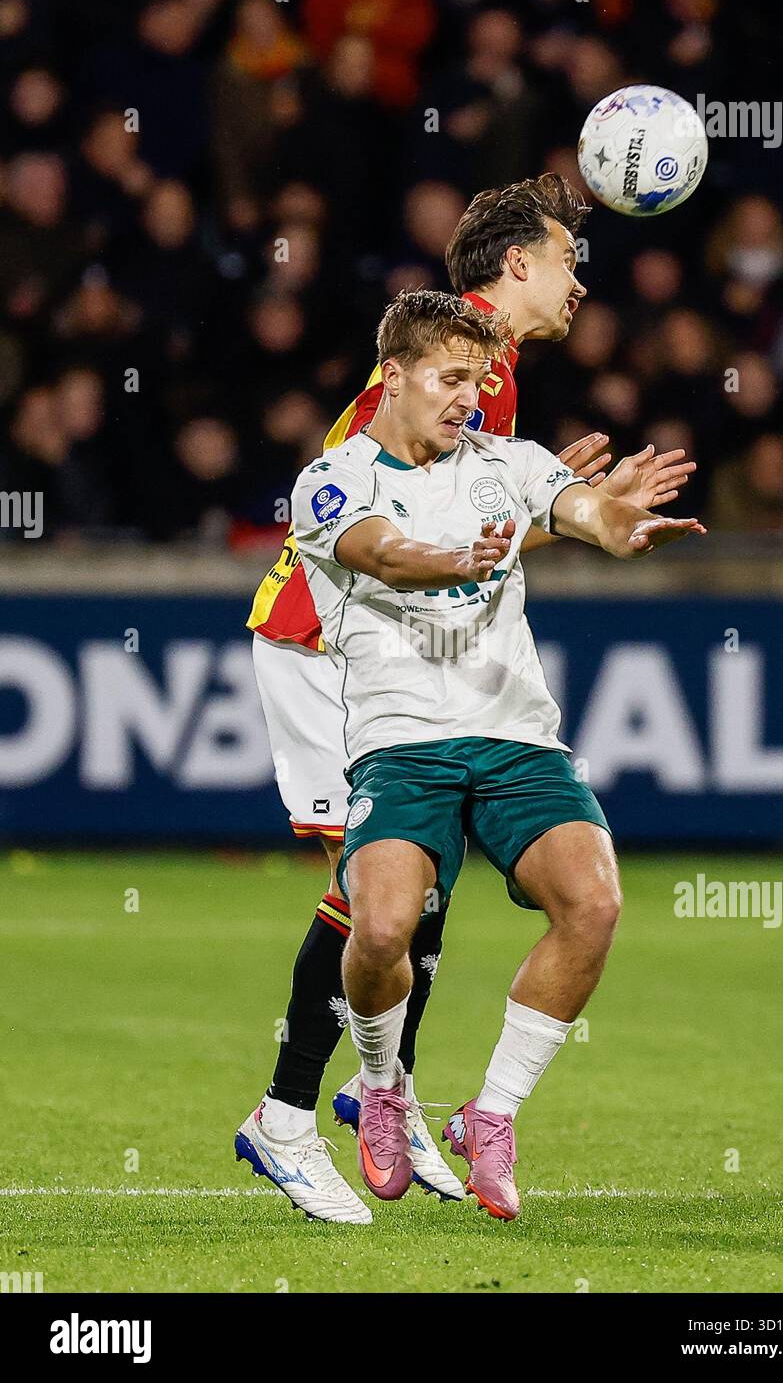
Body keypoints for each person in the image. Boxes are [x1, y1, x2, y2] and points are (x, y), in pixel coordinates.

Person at [237, 175, 695, 1223]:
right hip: (331, 643)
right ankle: (291, 1113)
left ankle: (373, 1091)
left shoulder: (489, 373)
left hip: (401, 646)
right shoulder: (461, 360)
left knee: (407, 901)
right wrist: (547, 514)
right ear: (515, 266)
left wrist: (565, 510)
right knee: (374, 902)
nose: (579, 281)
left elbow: (468, 525)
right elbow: (374, 509)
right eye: (566, 258)